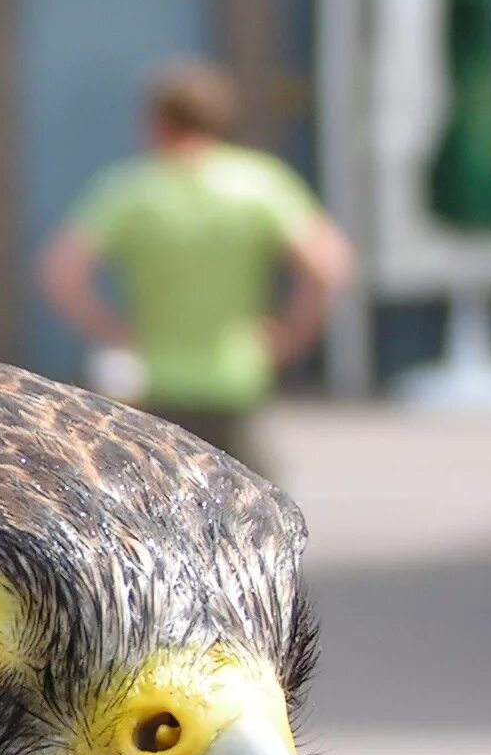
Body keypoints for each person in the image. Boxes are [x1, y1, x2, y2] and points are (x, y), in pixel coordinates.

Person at [39, 58, 353, 473]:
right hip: (235, 373)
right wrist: (292, 335)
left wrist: (112, 330)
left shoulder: (132, 190)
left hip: (156, 377)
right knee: (248, 508)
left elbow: (61, 272)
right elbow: (329, 266)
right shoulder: (258, 183)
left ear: (157, 121)